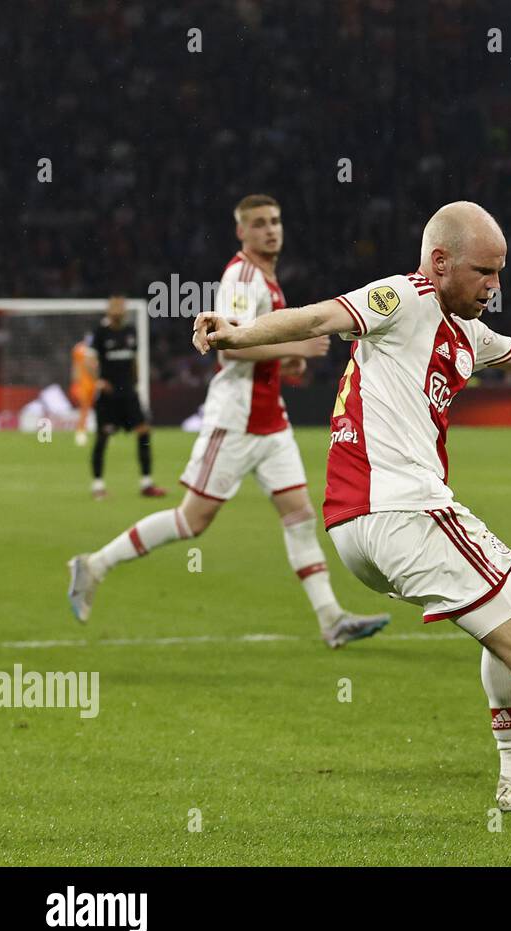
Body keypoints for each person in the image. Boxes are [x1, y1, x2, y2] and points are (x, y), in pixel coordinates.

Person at [191, 201, 511, 834]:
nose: (495, 287)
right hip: (404, 511)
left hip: (363, 523)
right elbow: (321, 316)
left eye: (500, 272)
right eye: (484, 272)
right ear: (439, 262)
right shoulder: (403, 298)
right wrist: (237, 334)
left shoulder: (467, 333)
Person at [68, 195, 390, 649]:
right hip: (235, 420)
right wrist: (295, 348)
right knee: (192, 520)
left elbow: (257, 343)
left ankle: (331, 619)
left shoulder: (268, 279)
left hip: (270, 421)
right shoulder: (241, 278)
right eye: (259, 224)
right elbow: (229, 346)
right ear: (241, 232)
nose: (270, 230)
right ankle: (93, 565)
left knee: (299, 516)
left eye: (275, 221)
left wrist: (287, 363)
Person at [83, 295, 167, 498]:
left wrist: (136, 381)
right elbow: (88, 360)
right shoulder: (100, 332)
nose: (120, 313)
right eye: (116, 309)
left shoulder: (130, 332)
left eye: (122, 309)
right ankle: (98, 485)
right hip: (108, 395)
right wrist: (98, 381)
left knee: (144, 431)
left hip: (128, 392)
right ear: (110, 312)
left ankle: (146, 483)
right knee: (103, 436)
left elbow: (134, 360)